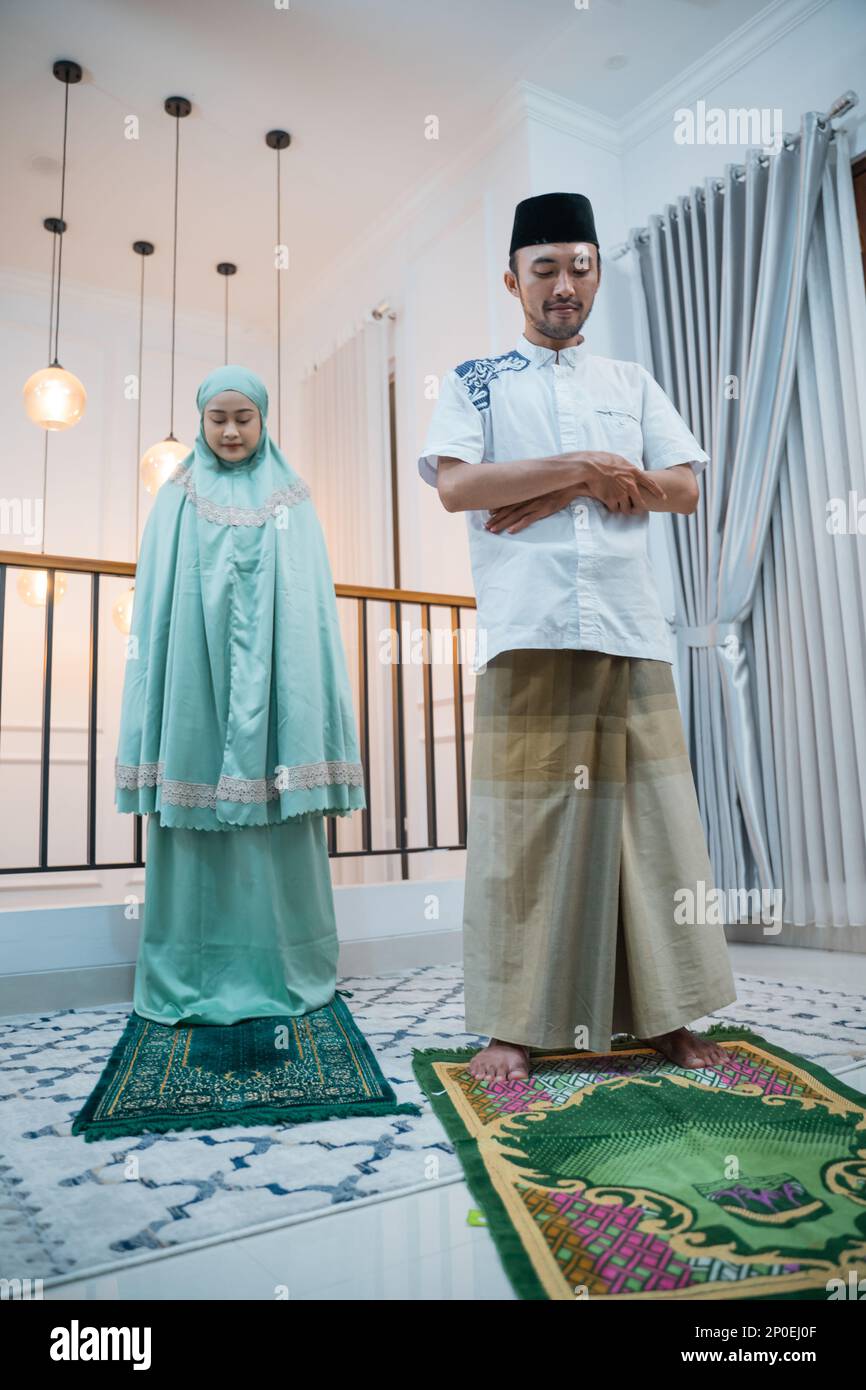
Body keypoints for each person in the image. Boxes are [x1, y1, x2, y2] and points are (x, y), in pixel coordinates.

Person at [417, 191, 737, 1082]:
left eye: (580, 267)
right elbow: (457, 488)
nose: (564, 284)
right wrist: (585, 469)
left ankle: (670, 1017)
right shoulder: (475, 380)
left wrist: (563, 489)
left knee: (653, 824)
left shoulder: (631, 383)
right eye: (546, 268)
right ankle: (512, 1028)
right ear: (513, 277)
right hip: (530, 627)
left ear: (596, 273)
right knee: (527, 829)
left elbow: (683, 489)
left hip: (631, 627)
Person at [115, 365, 366, 1025]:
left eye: (243, 417)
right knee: (195, 830)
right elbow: (161, 608)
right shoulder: (174, 498)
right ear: (200, 422)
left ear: (263, 420)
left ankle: (286, 970)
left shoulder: (293, 498)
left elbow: (307, 612)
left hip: (278, 694)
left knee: (277, 825)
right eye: (218, 418)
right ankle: (191, 977)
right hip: (195, 687)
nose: (230, 430)